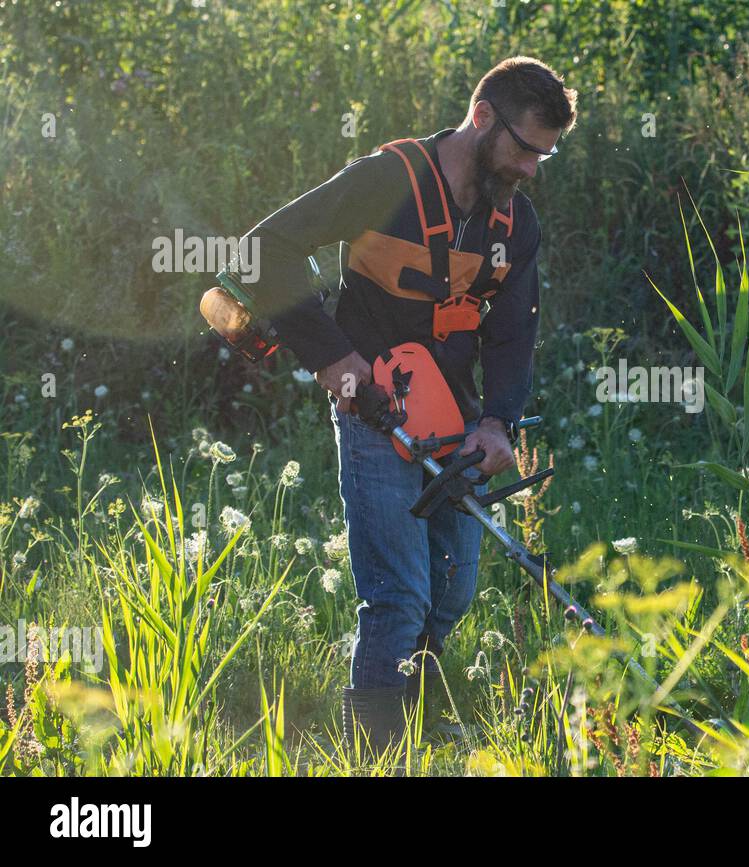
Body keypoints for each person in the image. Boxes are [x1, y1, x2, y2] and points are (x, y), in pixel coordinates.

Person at [239, 56, 578, 754]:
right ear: (482, 117)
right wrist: (336, 361)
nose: (531, 169)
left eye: (545, 154)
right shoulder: (386, 180)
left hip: (456, 421)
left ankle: (413, 734)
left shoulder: (516, 223)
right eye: (524, 148)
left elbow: (515, 330)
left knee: (449, 595)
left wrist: (497, 421)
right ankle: (374, 758)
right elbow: (263, 249)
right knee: (399, 597)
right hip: (374, 416)